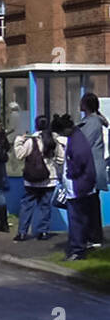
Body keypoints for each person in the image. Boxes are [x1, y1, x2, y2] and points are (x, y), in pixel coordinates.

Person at [12, 115, 62, 242]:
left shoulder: (31, 141)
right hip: (49, 179)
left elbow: (19, 155)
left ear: (36, 126)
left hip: (32, 180)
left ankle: (22, 232)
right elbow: (61, 159)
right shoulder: (53, 140)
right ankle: (43, 232)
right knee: (45, 206)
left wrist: (18, 140)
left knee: (27, 206)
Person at [54, 113, 95, 261]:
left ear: (65, 129)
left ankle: (77, 250)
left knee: (76, 219)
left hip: (77, 187)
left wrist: (70, 173)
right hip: (78, 186)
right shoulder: (76, 137)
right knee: (80, 218)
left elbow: (79, 162)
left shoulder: (77, 142)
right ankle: (79, 246)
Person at [77, 93, 107, 247]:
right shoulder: (93, 121)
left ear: (86, 105)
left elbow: (83, 144)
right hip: (92, 167)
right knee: (91, 202)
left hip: (91, 169)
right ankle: (93, 235)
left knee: (90, 204)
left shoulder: (92, 123)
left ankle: (93, 236)